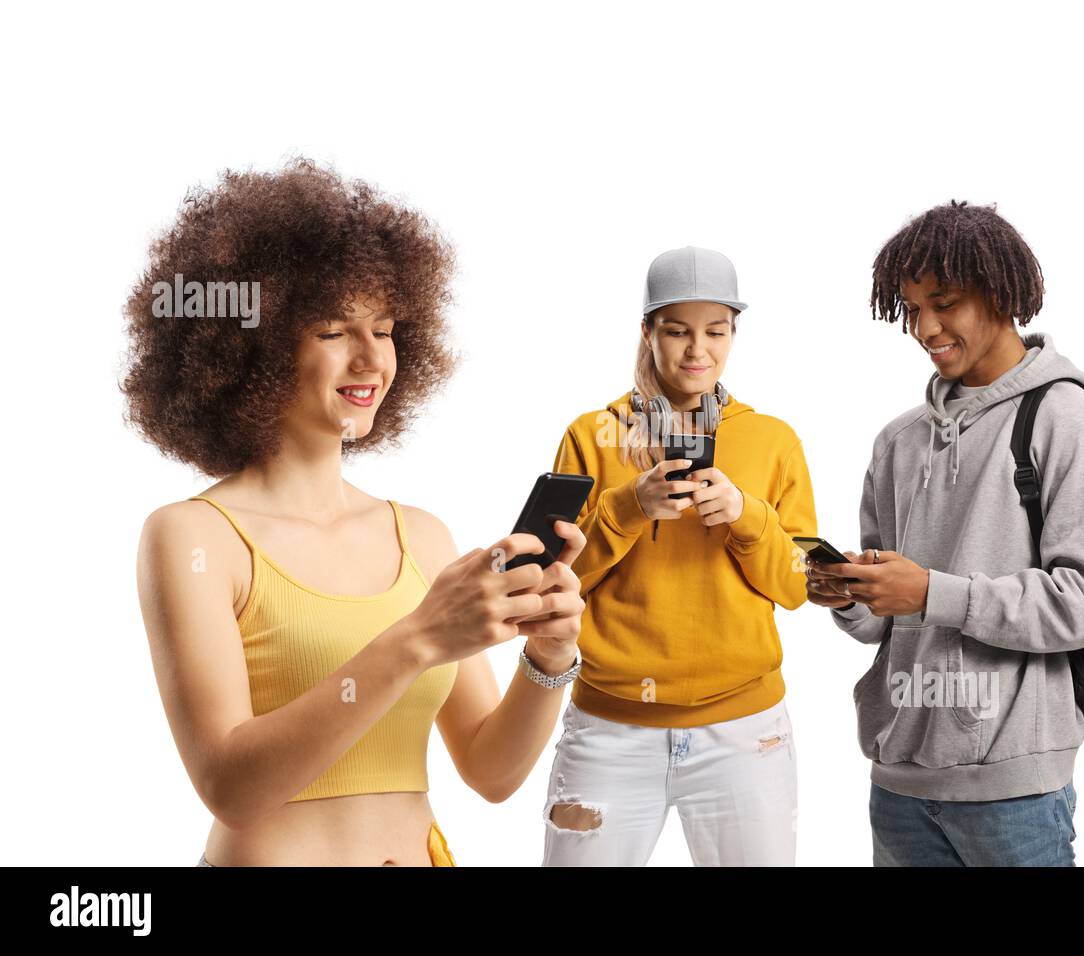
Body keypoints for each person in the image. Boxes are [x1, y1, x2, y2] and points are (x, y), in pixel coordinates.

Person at [124, 158, 587, 866]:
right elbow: (231, 787)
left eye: (386, 327)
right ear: (257, 350)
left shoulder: (421, 536)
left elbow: (492, 773)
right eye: (334, 331)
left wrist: (549, 658)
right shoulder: (193, 538)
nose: (372, 358)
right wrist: (417, 640)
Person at [805, 200, 1084, 866]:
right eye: (910, 309)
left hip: (1014, 795)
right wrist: (852, 596)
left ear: (999, 292)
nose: (924, 327)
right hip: (899, 784)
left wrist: (930, 592)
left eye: (944, 303)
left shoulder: (1066, 419)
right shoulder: (897, 442)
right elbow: (882, 625)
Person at [541, 246, 817, 866]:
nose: (698, 350)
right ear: (647, 332)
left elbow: (800, 585)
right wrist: (628, 507)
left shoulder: (773, 441)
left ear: (733, 336)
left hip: (746, 735)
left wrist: (747, 517)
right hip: (609, 731)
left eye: (715, 332)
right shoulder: (593, 434)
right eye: (677, 331)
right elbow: (551, 581)